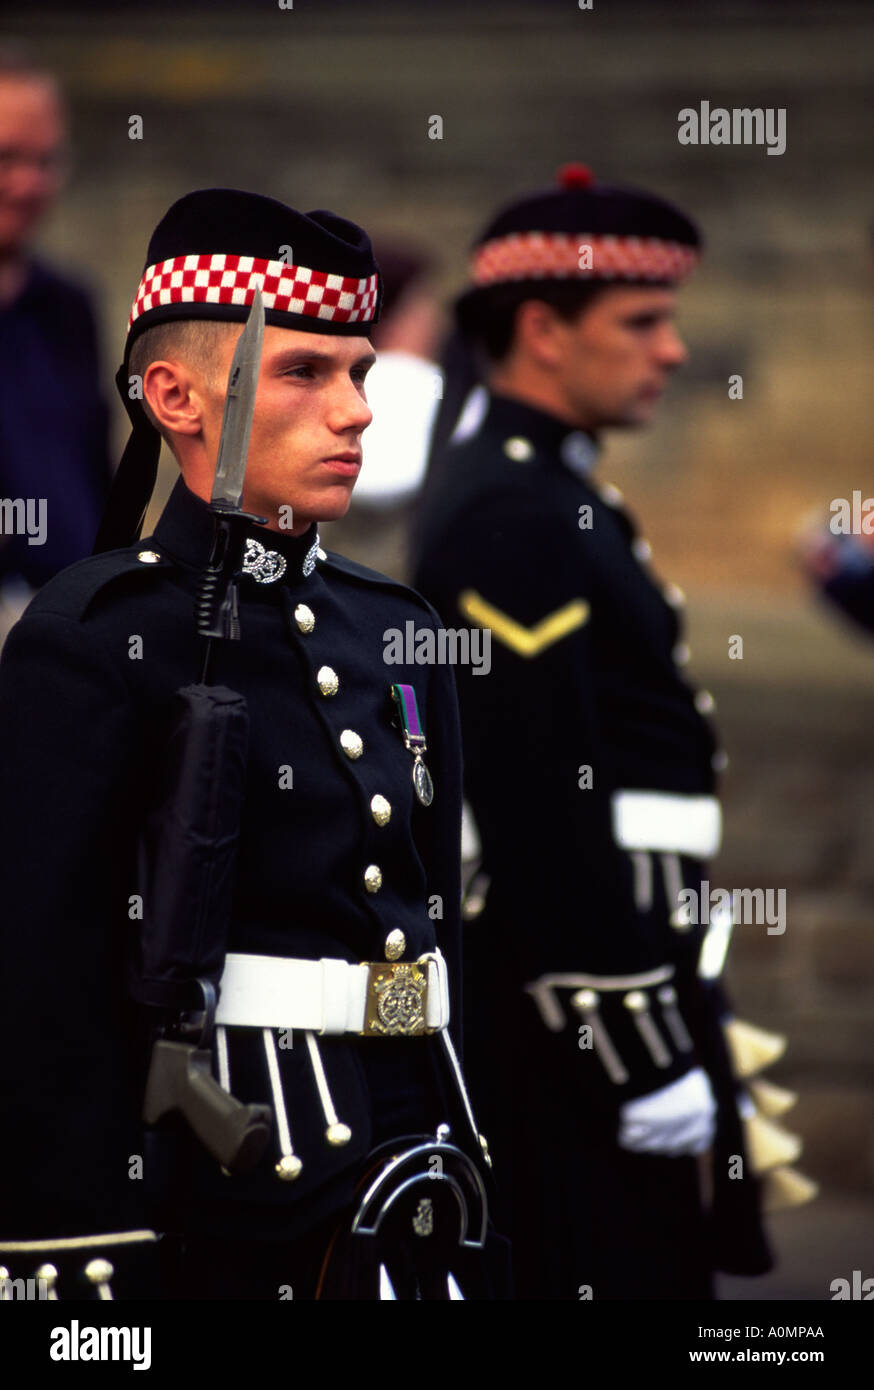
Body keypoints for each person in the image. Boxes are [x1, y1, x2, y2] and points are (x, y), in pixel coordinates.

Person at [0, 188, 496, 1301]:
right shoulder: (102, 634)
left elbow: (432, 932)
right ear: (175, 397)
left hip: (417, 1146)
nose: (355, 410)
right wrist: (79, 1253)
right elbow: (42, 978)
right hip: (228, 1183)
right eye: (303, 373)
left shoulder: (401, 628)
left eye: (359, 372)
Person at [412, 164, 791, 1300]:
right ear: (541, 329)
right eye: (641, 321)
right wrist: (633, 1041)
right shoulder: (510, 513)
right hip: (569, 1022)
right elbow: (538, 800)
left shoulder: (552, 490)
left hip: (630, 968)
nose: (672, 351)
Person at [0, 44, 111, 644]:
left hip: (72, 621)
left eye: (46, 161)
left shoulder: (69, 306)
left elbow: (95, 471)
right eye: (6, 158)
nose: (28, 184)